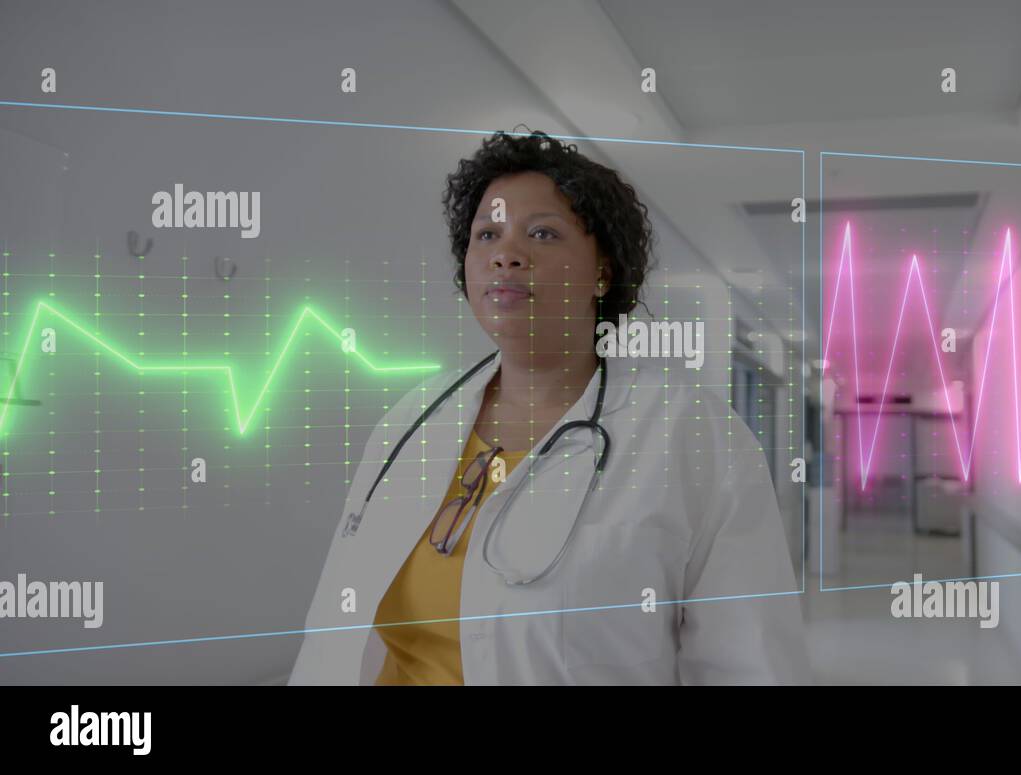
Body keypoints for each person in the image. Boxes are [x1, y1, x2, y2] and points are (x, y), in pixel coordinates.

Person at [290, 130, 808, 685]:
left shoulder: (695, 436)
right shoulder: (412, 419)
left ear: (603, 271)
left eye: (542, 233)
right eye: (486, 234)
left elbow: (749, 665)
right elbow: (333, 634)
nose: (505, 254)